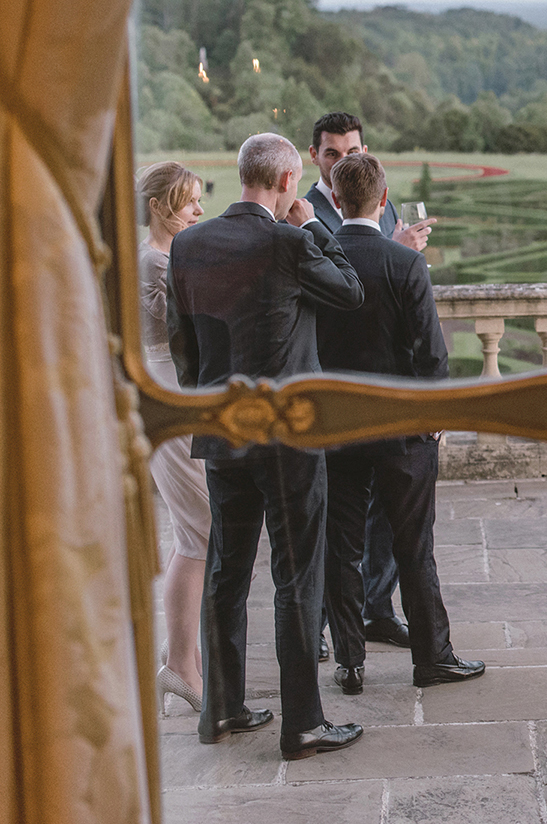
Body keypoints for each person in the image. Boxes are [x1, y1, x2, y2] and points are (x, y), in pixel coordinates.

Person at [168, 133, 366, 760]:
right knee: (296, 577)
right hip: (287, 440)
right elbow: (351, 291)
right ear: (287, 183)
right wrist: (314, 227)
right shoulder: (288, 240)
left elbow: (184, 347)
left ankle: (221, 711)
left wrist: (209, 404)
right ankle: (303, 723)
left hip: (221, 429)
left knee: (226, 572)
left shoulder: (188, 243)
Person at [316, 154, 485, 694]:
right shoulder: (405, 263)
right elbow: (431, 355)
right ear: (384, 201)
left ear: (336, 200)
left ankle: (348, 663)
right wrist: (433, 418)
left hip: (336, 426)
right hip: (400, 426)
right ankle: (432, 658)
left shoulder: (317, 257)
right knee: (414, 545)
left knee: (339, 547)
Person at [305, 111, 437, 655]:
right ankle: (329, 632)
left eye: (352, 150)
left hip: (361, 403)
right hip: (366, 402)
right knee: (361, 534)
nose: (344, 160)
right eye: (333, 152)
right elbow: (429, 348)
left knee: (369, 530)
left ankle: (366, 629)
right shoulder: (302, 216)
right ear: (314, 157)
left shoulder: (348, 215)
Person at [138, 161, 211, 714]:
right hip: (170, 396)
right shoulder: (153, 263)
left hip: (174, 396)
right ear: (164, 206)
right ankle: (181, 665)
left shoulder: (162, 259)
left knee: (195, 535)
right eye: (191, 203)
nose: (200, 212)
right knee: (201, 533)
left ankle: (179, 659)